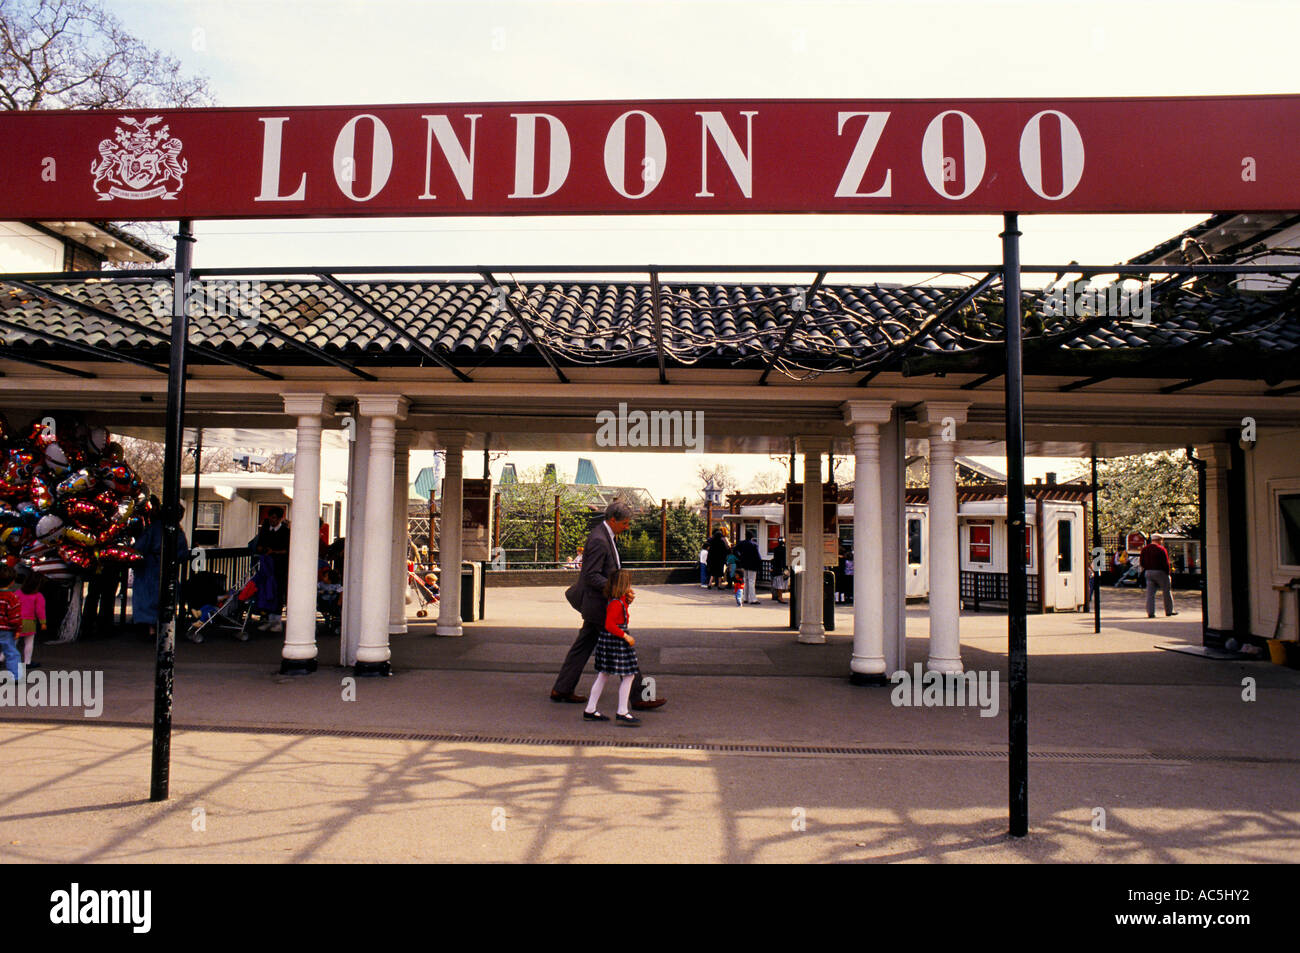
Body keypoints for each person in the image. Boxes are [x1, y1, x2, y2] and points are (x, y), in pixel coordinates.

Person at [552, 500, 665, 710]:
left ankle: (562, 688)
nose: (627, 527)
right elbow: (591, 575)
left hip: (596, 605)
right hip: (599, 606)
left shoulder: (603, 535)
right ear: (612, 520)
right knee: (623, 644)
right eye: (625, 523)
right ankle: (639, 696)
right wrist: (619, 589)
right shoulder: (599, 540)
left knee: (583, 646)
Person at [582, 569, 641, 726]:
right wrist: (625, 636)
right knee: (628, 675)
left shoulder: (616, 600)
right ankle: (622, 711)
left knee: (603, 675)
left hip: (608, 642)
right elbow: (610, 624)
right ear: (624, 584)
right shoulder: (617, 603)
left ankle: (590, 708)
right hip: (617, 641)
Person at [132, 499, 189, 638]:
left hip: (150, 567)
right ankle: (162, 627)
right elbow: (183, 552)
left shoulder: (153, 528)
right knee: (165, 598)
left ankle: (151, 628)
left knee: (148, 598)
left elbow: (140, 547)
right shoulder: (178, 531)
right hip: (167, 567)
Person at [254, 506, 291, 631]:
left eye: (274, 518)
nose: (272, 520)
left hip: (280, 567)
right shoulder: (265, 530)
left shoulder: (285, 532)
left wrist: (273, 551)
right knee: (266, 590)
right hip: (267, 566)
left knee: (278, 591)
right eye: (270, 517)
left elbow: (287, 550)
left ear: (280, 519)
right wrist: (263, 550)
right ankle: (268, 619)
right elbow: (258, 546)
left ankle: (277, 620)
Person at [1140, 532, 1178, 618]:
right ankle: (1169, 611)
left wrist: (1146, 568)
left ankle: (1150, 612)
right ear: (1159, 540)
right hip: (1160, 572)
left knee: (1150, 594)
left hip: (1148, 572)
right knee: (1166, 591)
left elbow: (1141, 562)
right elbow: (1165, 562)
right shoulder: (1161, 549)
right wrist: (1167, 572)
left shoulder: (1145, 549)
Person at [17, 572, 45, 670]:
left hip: (16, 620)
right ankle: (27, 662)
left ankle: (1, 658)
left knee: (11, 642)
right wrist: (43, 622)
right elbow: (40, 610)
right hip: (29, 621)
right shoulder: (38, 595)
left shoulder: (18, 593)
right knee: (29, 642)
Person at [0, 565, 23, 680]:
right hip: (6, 630)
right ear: (12, 582)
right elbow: (14, 617)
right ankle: (15, 677)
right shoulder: (12, 598)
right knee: (11, 653)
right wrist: (18, 629)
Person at [734, 531, 762, 605]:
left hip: (743, 563)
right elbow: (758, 556)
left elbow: (735, 550)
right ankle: (753, 599)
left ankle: (745, 598)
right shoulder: (754, 545)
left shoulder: (741, 543)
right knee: (751, 581)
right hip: (752, 564)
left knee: (745, 581)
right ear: (752, 537)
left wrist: (739, 556)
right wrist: (759, 564)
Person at [770, 537, 788, 603]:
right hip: (782, 568)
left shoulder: (775, 549)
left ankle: (778, 596)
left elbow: (774, 559)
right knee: (782, 583)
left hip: (776, 568)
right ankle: (780, 597)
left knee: (778, 583)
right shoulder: (785, 549)